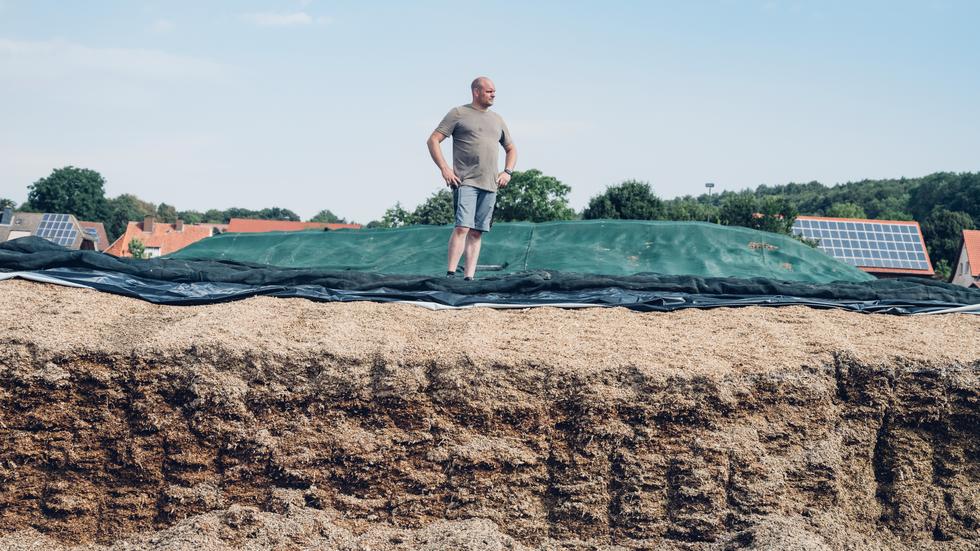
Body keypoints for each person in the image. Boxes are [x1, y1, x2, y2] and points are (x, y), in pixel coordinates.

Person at [426, 76, 517, 280]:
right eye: (489, 91)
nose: (493, 94)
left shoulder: (497, 119)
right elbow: (433, 140)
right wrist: (445, 169)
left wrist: (507, 172)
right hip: (465, 181)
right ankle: (450, 274)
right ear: (476, 92)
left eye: (494, 91)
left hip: (490, 184)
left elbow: (511, 149)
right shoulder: (459, 113)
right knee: (462, 227)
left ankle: (469, 278)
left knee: (477, 232)